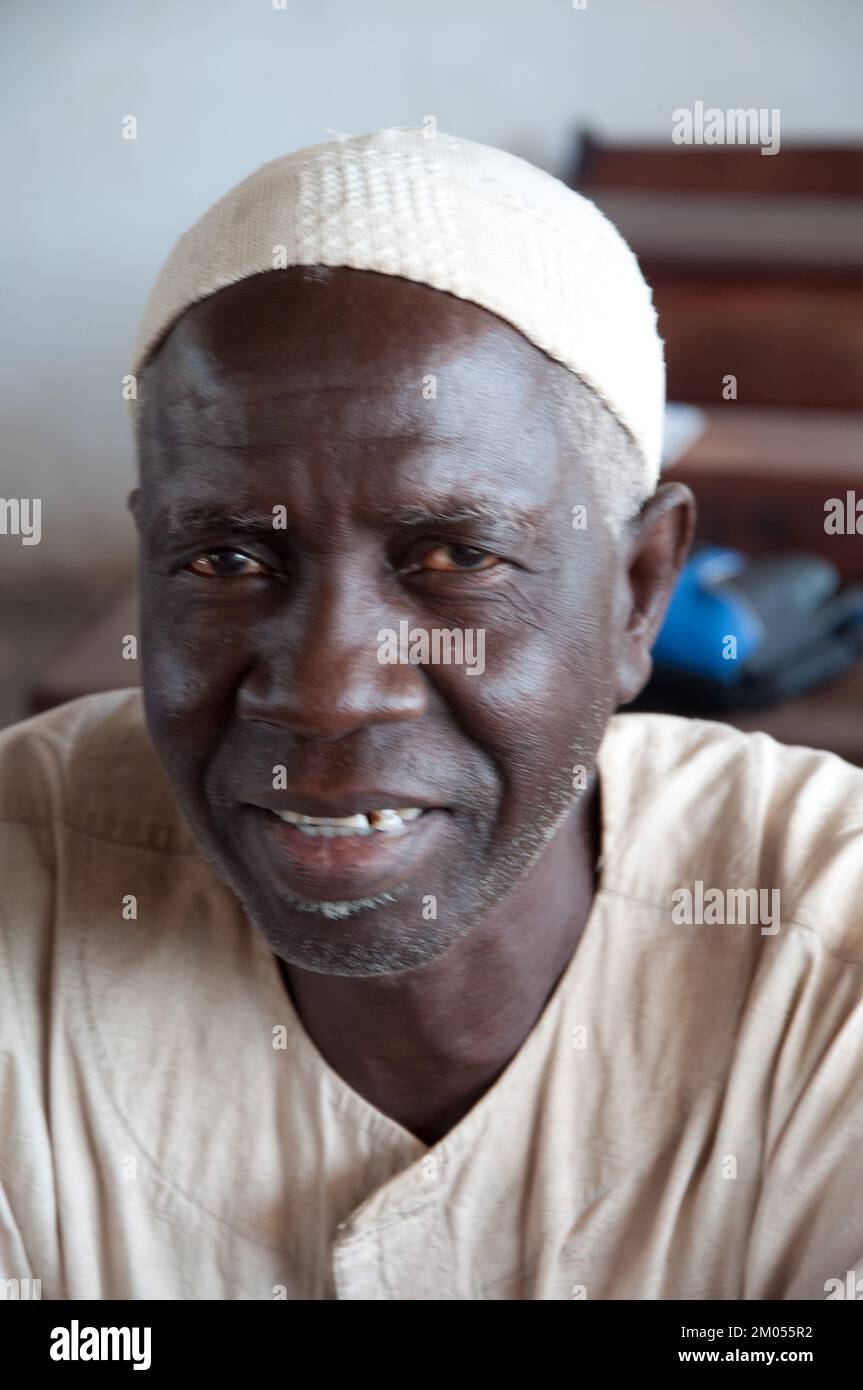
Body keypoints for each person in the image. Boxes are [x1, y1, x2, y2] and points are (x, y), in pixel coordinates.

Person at [1, 129, 861, 1301]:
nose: (323, 689)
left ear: (636, 592)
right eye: (224, 558)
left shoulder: (827, 953)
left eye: (454, 553)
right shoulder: (22, 895)